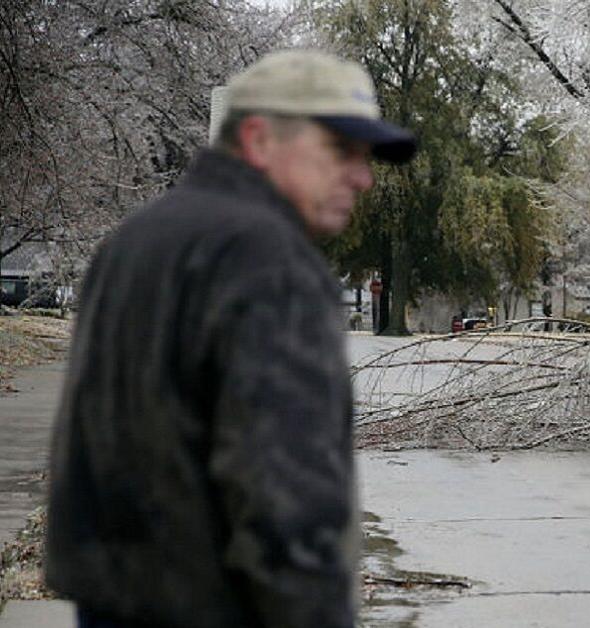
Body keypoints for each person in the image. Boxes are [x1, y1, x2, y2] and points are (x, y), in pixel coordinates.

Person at [44, 49, 416, 628]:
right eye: (340, 150)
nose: (362, 177)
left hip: (113, 600)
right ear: (259, 139)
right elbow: (284, 495)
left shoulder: (135, 240)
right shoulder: (270, 263)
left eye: (365, 158)